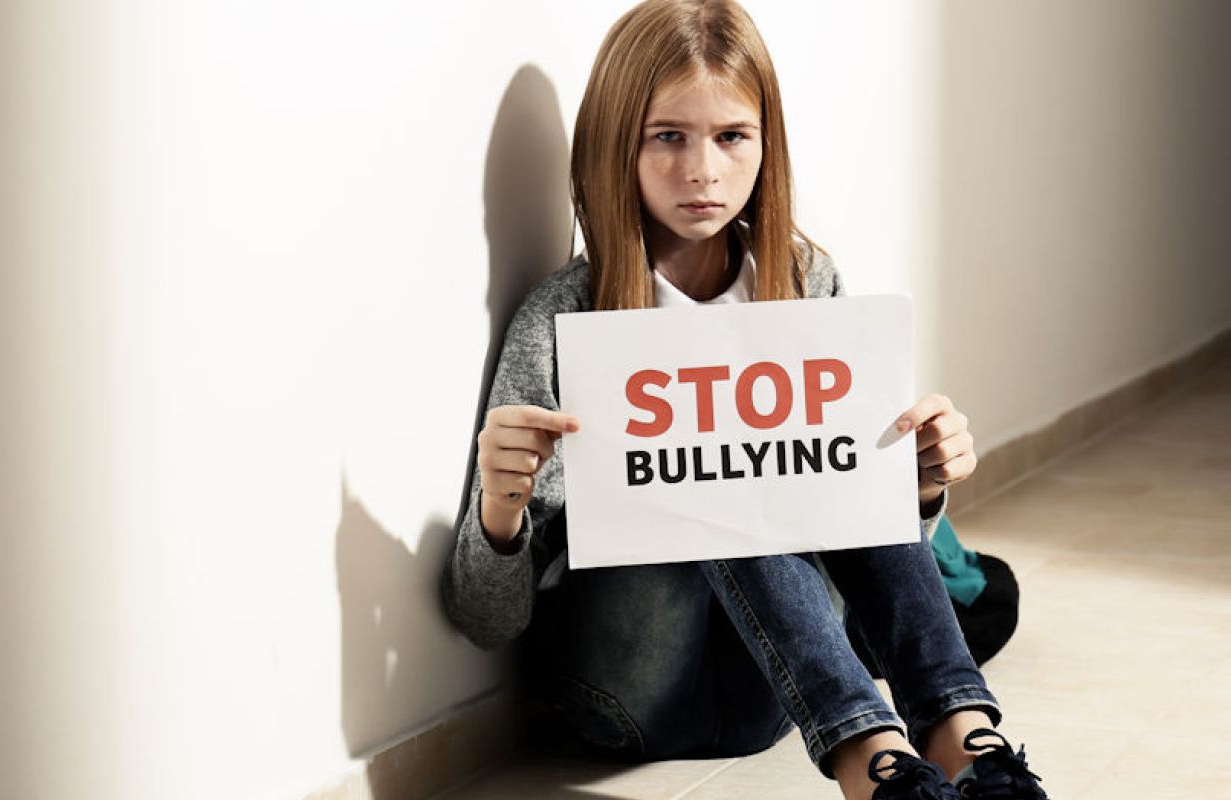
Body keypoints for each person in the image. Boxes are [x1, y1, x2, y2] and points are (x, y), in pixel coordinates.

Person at [440, 2, 1048, 798]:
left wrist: (920, 485)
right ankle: (874, 768)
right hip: (624, 690)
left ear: (766, 145)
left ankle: (970, 744)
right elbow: (485, 620)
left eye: (731, 136)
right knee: (720, 468)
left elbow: (864, 534)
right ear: (617, 144)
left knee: (777, 469)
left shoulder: (804, 282)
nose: (703, 170)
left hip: (777, 694)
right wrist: (500, 511)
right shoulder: (565, 316)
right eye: (667, 136)